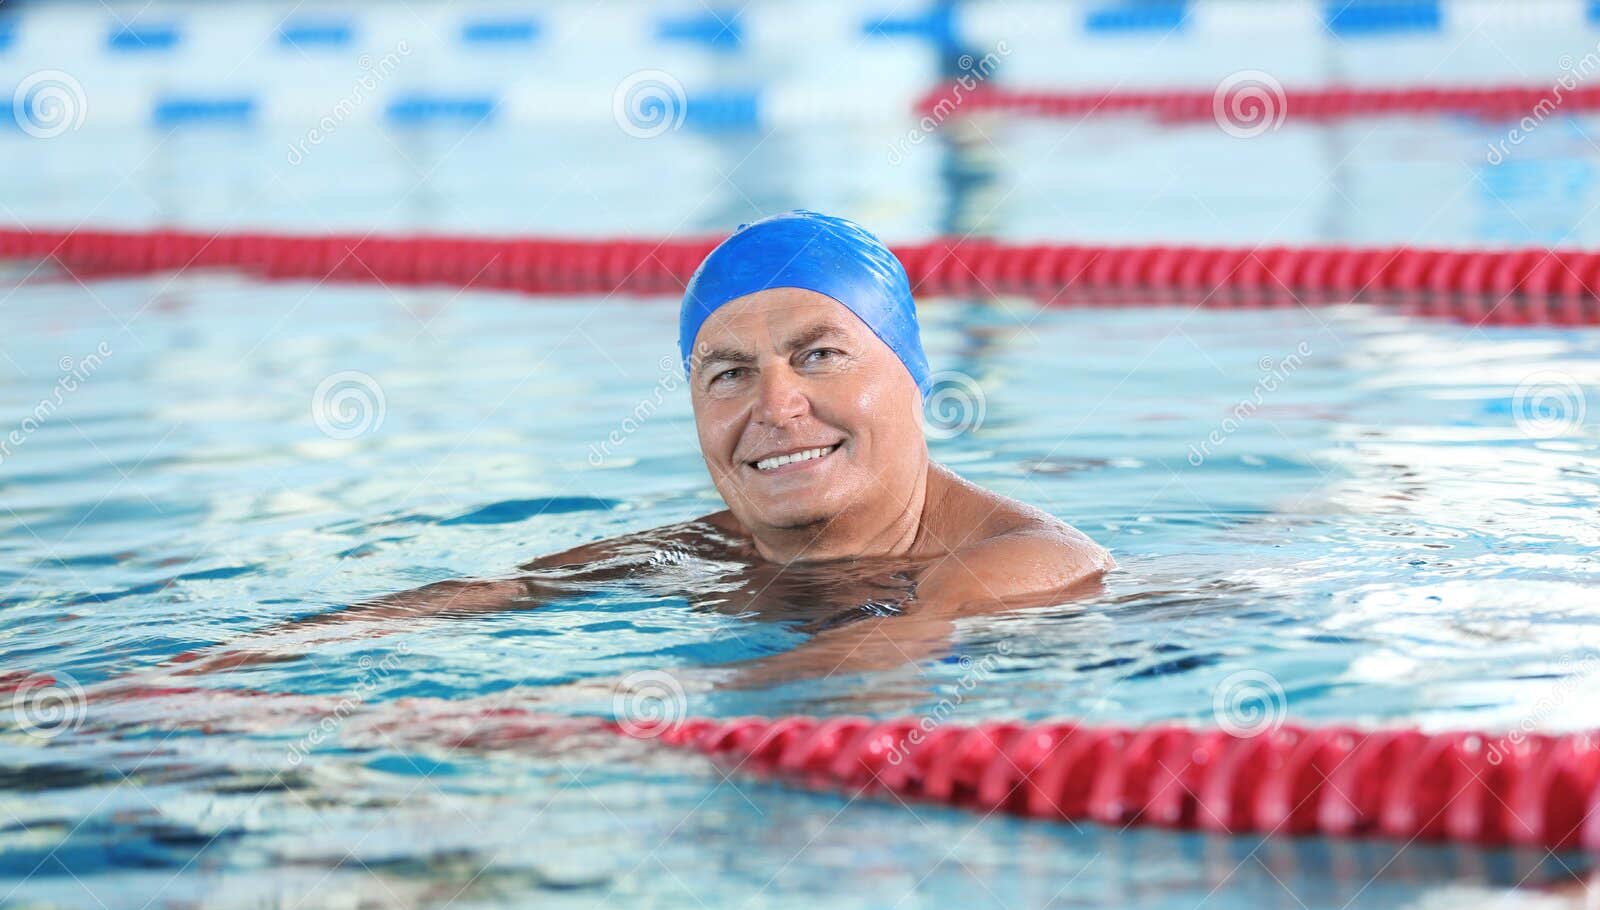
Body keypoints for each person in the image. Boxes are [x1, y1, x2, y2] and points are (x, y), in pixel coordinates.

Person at [165, 211, 1111, 689]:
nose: (777, 405)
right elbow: (505, 593)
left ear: (910, 373)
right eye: (727, 374)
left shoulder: (1022, 564)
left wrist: (515, 732)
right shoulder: (708, 549)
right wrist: (209, 674)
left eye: (819, 355)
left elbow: (855, 676)